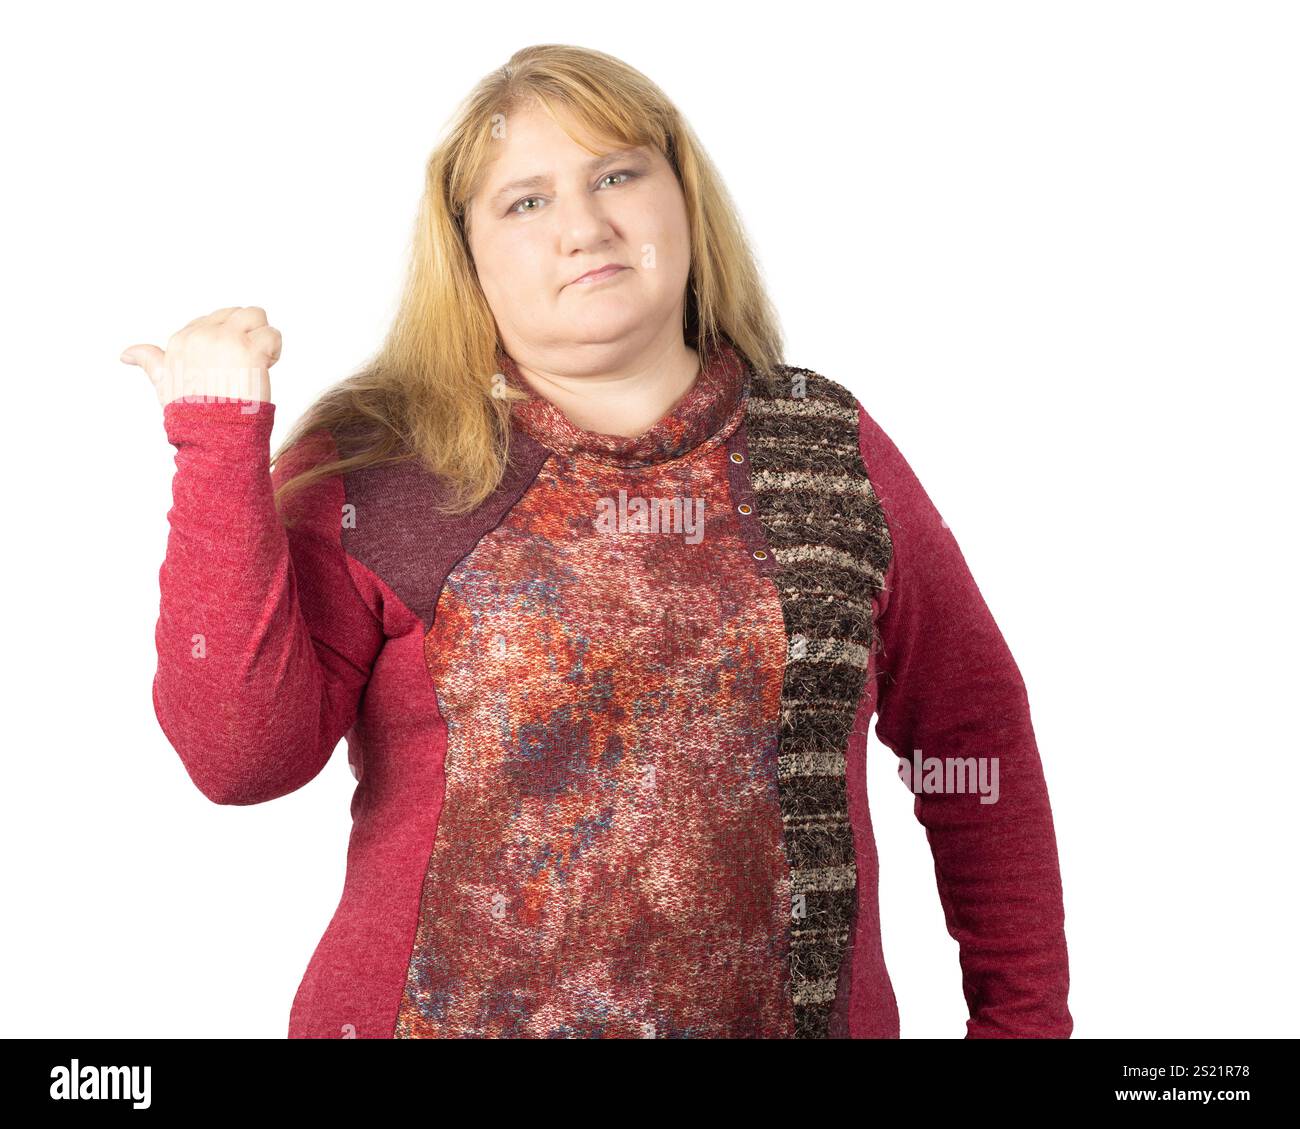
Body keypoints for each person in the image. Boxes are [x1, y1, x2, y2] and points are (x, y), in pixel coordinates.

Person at [122, 43, 1072, 1040]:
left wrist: (1023, 1027)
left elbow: (971, 732)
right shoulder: (385, 465)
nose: (584, 226)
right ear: (469, 251)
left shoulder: (823, 446)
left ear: (683, 201)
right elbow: (240, 762)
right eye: (524, 201)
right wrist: (217, 442)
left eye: (617, 174)